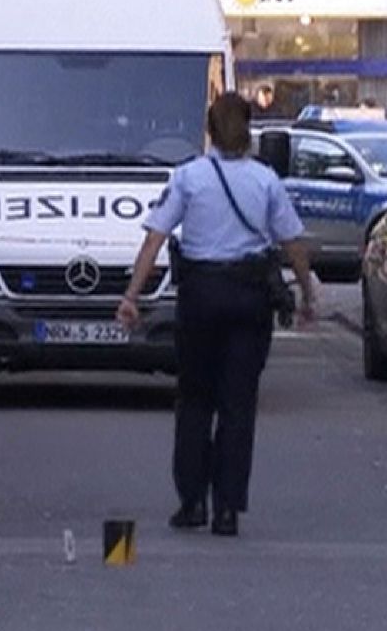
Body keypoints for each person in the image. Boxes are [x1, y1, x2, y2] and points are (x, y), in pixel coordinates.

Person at [116, 92, 318, 537]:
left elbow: (154, 238)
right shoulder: (266, 181)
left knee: (194, 400)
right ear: (248, 130)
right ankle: (228, 508)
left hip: (200, 297)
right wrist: (307, 295)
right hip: (249, 299)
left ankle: (192, 502)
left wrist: (132, 295)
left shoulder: (189, 177)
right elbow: (293, 245)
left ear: (208, 129)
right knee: (238, 405)